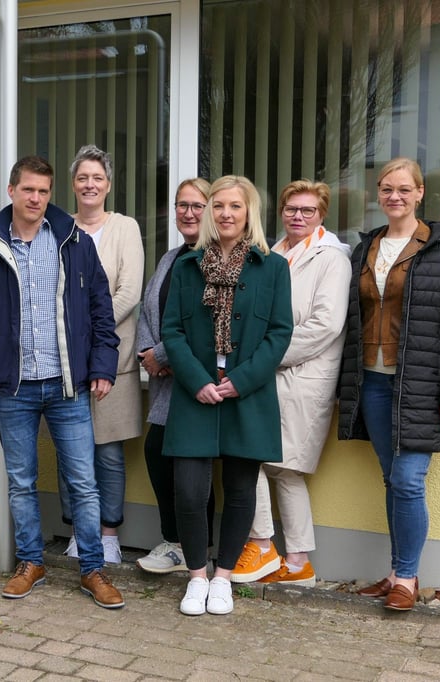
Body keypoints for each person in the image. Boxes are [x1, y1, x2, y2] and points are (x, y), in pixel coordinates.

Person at [0, 155, 125, 609]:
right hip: (13, 387)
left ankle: (92, 569)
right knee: (21, 481)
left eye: (44, 191)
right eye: (28, 189)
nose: (36, 198)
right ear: (11, 191)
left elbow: (100, 311)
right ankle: (31, 562)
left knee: (83, 482)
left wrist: (102, 367)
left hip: (68, 385)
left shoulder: (74, 243)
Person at [338, 157, 440, 611]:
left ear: (419, 194)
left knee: (409, 481)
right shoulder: (366, 247)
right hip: (372, 382)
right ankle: (397, 573)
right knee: (392, 480)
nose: (394, 197)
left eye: (403, 189)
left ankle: (408, 577)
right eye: (385, 189)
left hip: (421, 384)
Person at [162, 175, 292, 616]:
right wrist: (197, 379)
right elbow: (172, 331)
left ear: (248, 211)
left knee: (241, 491)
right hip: (194, 391)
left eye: (235, 206)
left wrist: (244, 379)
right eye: (218, 205)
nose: (225, 214)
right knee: (189, 491)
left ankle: (224, 578)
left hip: (246, 394)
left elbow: (279, 332)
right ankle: (196, 576)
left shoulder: (272, 266)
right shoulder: (186, 265)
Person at [230, 180, 351, 586]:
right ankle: (294, 563)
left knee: (279, 466)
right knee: (267, 462)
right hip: (269, 375)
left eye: (308, 211)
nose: (298, 217)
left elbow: (325, 326)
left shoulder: (332, 258)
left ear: (322, 215)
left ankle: (268, 549)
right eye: (291, 209)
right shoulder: (271, 253)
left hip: (302, 377)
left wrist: (262, 357)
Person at [60, 145, 143, 565]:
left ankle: (108, 534)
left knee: (107, 452)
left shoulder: (125, 227)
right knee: (70, 448)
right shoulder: (58, 228)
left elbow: (129, 292)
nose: (89, 185)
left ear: (108, 185)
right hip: (66, 360)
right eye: (82, 178)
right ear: (73, 185)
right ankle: (78, 530)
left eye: (97, 178)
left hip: (113, 358)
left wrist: (84, 325)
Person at [135, 178, 217, 574]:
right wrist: (149, 355)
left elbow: (203, 321)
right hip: (166, 381)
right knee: (159, 455)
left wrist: (165, 354)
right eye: (182, 205)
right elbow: (148, 310)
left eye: (197, 205)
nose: (188, 213)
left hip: (196, 379)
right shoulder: (170, 258)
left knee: (193, 467)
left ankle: (193, 546)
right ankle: (176, 542)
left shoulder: (216, 259)